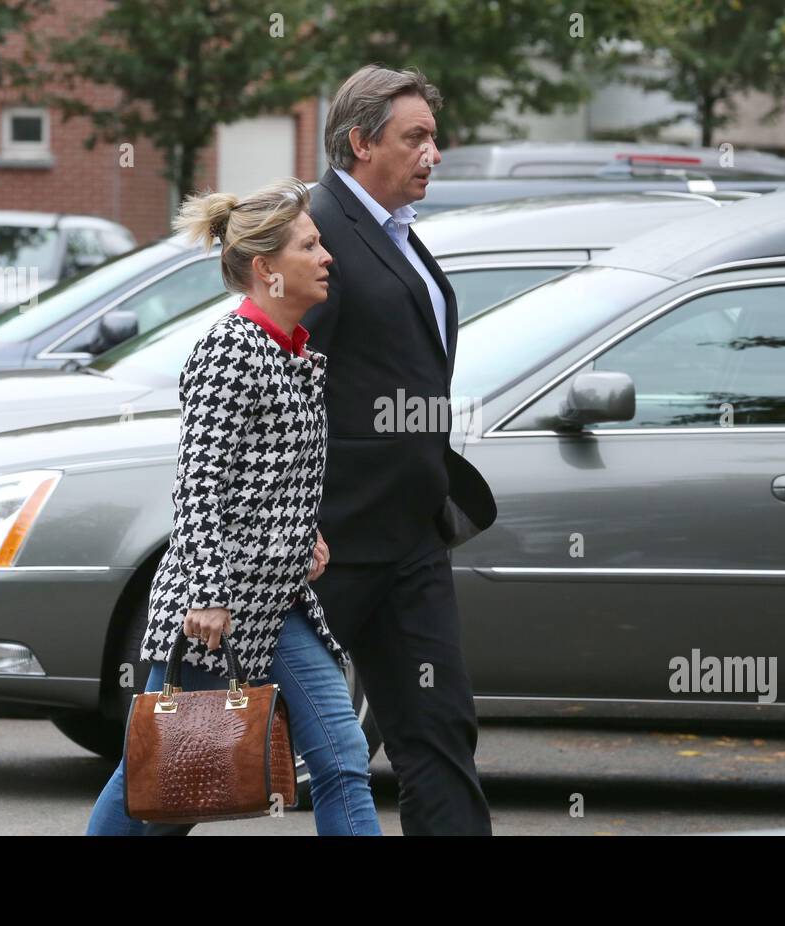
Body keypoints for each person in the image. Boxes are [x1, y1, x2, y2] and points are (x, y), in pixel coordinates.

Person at [86, 177, 382, 836]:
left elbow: (267, 475)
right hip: (212, 616)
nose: (327, 256)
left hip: (278, 604)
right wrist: (208, 594)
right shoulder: (230, 351)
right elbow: (199, 484)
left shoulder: (290, 352)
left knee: (341, 757)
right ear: (265, 268)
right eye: (310, 245)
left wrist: (302, 533)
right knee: (163, 780)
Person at [301, 65, 496, 836]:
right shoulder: (315, 233)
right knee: (219, 726)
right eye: (415, 137)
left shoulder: (396, 233)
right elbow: (286, 387)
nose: (433, 153)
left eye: (434, 137)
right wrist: (295, 519)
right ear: (360, 142)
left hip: (410, 535)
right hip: (331, 540)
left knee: (438, 732)